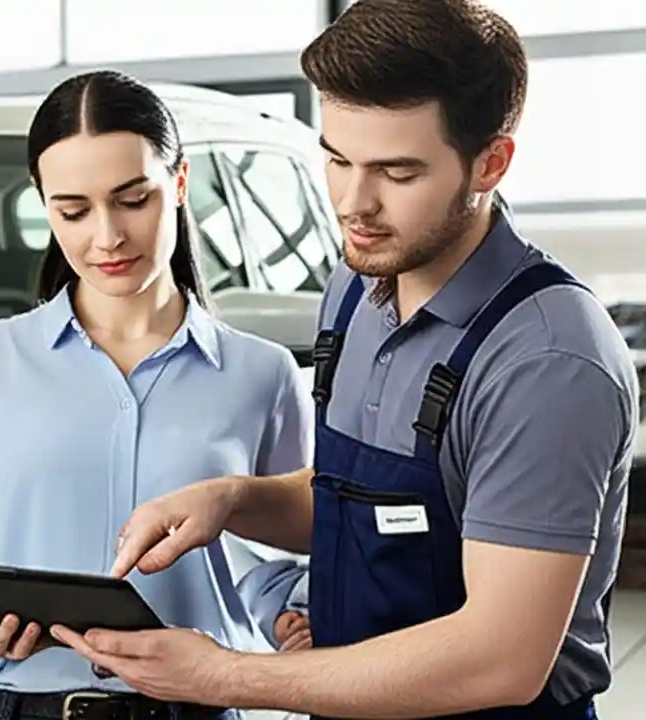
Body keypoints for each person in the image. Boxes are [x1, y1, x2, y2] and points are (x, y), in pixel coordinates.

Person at [51, 2, 640, 719]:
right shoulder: (356, 289)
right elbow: (372, 505)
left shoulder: (548, 359)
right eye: (336, 159)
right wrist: (236, 500)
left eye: (396, 171)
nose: (353, 203)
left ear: (490, 162)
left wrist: (222, 676)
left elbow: (500, 660)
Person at [0, 69, 317, 720]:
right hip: (12, 704)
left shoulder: (260, 375)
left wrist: (293, 618)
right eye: (74, 210)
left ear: (178, 186)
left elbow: (268, 560)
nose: (106, 237)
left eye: (133, 200)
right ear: (46, 207)